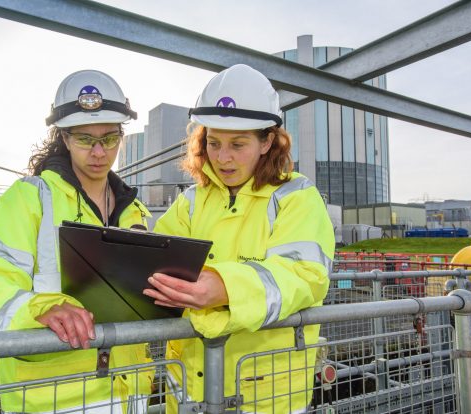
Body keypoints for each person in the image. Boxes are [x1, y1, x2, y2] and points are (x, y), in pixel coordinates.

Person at [0, 70, 152, 413]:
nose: (100, 151)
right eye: (86, 139)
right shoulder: (29, 199)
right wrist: (38, 309)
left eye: (110, 137)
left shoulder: (135, 211)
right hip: (53, 398)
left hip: (129, 391)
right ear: (65, 137)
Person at [143, 64, 335, 413]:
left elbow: (304, 276)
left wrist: (225, 287)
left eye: (237, 144)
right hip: (189, 390)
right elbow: (152, 261)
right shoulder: (190, 201)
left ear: (268, 142)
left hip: (265, 396)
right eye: (213, 143)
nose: (222, 157)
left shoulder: (297, 197)